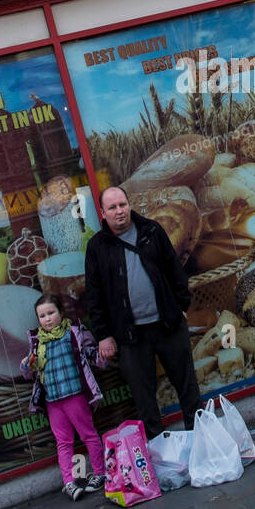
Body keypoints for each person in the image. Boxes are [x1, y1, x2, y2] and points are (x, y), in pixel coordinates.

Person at [84, 186, 202, 438]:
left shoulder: (152, 230)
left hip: (167, 325)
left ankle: (201, 441)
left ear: (129, 205)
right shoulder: (97, 246)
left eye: (123, 205)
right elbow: (94, 294)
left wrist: (181, 306)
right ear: (103, 213)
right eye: (113, 207)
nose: (120, 211)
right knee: (144, 398)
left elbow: (174, 270)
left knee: (187, 387)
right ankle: (160, 454)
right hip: (130, 334)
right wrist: (103, 335)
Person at [20, 293, 107, 501]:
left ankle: (100, 473)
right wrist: (26, 366)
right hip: (52, 402)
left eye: (51, 313)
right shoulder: (37, 342)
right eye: (42, 316)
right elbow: (30, 373)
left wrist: (103, 356)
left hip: (75, 396)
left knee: (89, 434)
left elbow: (92, 354)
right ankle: (68, 482)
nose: (47, 319)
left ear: (60, 312)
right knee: (63, 441)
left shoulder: (73, 332)